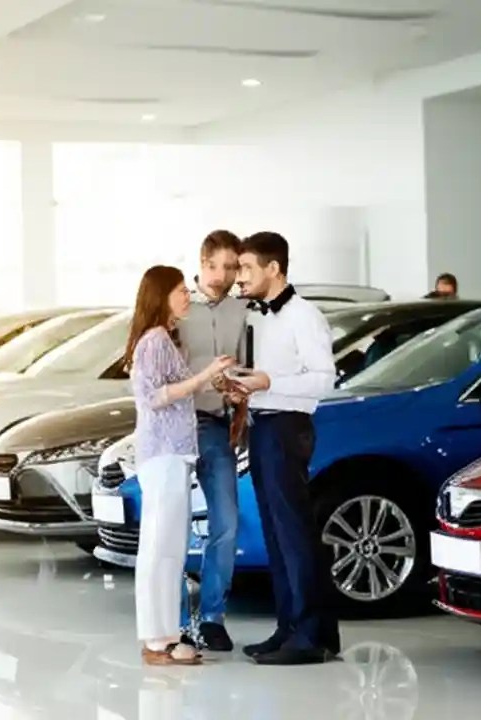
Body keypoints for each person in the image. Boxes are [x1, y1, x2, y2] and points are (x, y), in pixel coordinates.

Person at [230, 232, 341, 666]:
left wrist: (269, 382)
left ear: (273, 269)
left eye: (247, 269)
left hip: (288, 426)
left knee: (294, 534)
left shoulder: (305, 316)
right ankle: (290, 627)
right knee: (277, 534)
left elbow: (323, 379)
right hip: (261, 425)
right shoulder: (256, 317)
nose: (240, 278)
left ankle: (311, 635)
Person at [126, 265, 236, 667]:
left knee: (170, 546)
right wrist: (204, 375)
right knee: (160, 547)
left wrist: (216, 381)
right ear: (161, 296)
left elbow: (178, 389)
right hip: (164, 454)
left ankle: (166, 636)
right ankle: (156, 640)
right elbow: (157, 397)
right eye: (179, 291)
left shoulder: (161, 340)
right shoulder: (155, 340)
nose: (187, 295)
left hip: (173, 454)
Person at [177, 230, 249, 652]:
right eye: (215, 266)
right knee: (173, 527)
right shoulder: (181, 307)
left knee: (226, 523)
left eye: (231, 267)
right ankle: (175, 622)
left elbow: (245, 363)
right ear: (202, 263)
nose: (222, 276)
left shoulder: (243, 309)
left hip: (221, 426)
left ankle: (212, 617)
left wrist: (240, 407)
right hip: (181, 426)